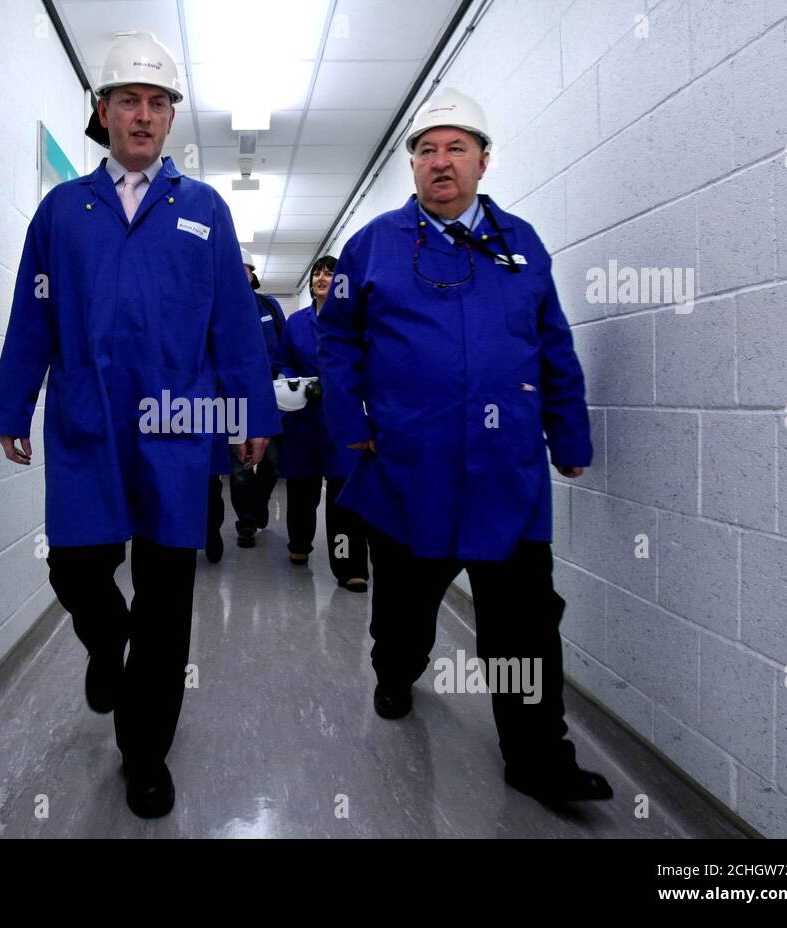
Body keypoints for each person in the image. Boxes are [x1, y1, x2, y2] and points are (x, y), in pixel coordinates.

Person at [0, 31, 279, 818]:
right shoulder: (62, 212)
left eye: (157, 103)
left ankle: (144, 751)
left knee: (167, 592)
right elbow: (33, 316)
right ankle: (103, 639)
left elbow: (235, 326)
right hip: (87, 415)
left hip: (177, 423)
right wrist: (13, 402)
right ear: (103, 110)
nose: (143, 116)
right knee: (76, 568)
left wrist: (250, 411)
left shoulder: (203, 210)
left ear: (171, 116)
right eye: (128, 101)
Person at [316, 87, 612, 804]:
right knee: (405, 609)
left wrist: (568, 431)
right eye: (426, 150)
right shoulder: (373, 245)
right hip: (408, 468)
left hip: (505, 473)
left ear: (483, 160)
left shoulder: (522, 245)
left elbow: (553, 345)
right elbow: (337, 335)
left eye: (456, 148)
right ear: (411, 165)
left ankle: (538, 755)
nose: (440, 162)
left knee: (523, 624)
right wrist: (352, 424)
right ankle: (395, 669)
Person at [275, 255, 369, 591]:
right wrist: (292, 381)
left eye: (330, 273)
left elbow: (369, 363)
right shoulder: (296, 323)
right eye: (317, 272)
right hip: (304, 419)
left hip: (343, 421)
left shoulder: (354, 319)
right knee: (302, 491)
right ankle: (299, 545)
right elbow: (283, 361)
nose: (322, 277)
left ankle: (349, 566)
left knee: (343, 497)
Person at [227, 249, 285, 549]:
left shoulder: (268, 306)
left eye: (245, 270)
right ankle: (246, 522)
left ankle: (259, 507)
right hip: (234, 400)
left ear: (253, 275)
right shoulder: (222, 309)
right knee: (240, 469)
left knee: (272, 463)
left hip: (270, 395)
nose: (240, 275)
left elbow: (285, 347)